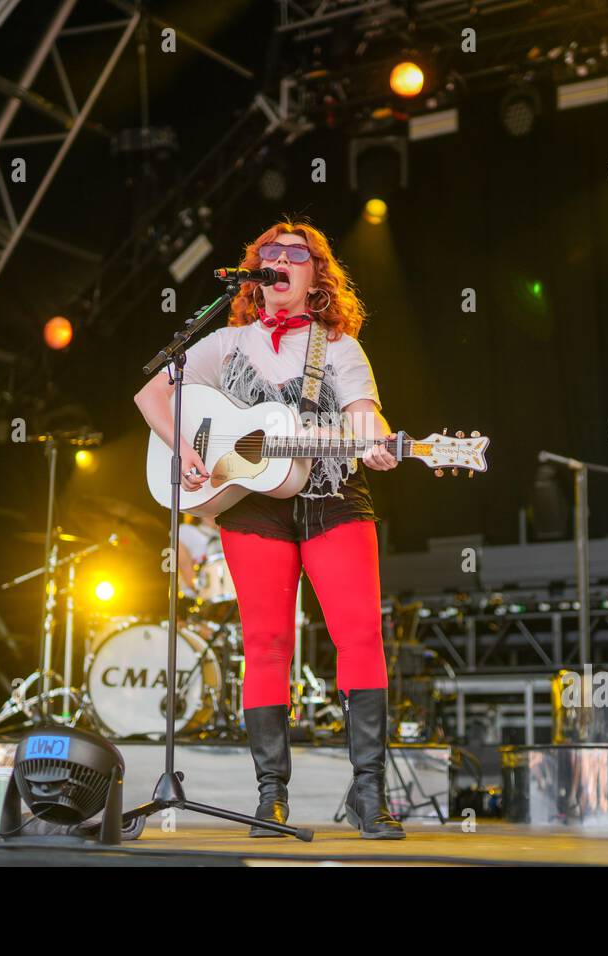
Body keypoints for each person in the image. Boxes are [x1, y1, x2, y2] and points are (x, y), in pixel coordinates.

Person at [134, 220, 405, 839]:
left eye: (295, 254)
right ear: (258, 274)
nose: (280, 260)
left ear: (316, 277)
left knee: (360, 632)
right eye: (269, 253)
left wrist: (381, 442)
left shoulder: (338, 346)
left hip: (334, 493)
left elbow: (365, 413)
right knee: (265, 642)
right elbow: (151, 396)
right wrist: (187, 450)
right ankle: (270, 798)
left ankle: (369, 795)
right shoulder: (225, 344)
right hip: (253, 505)